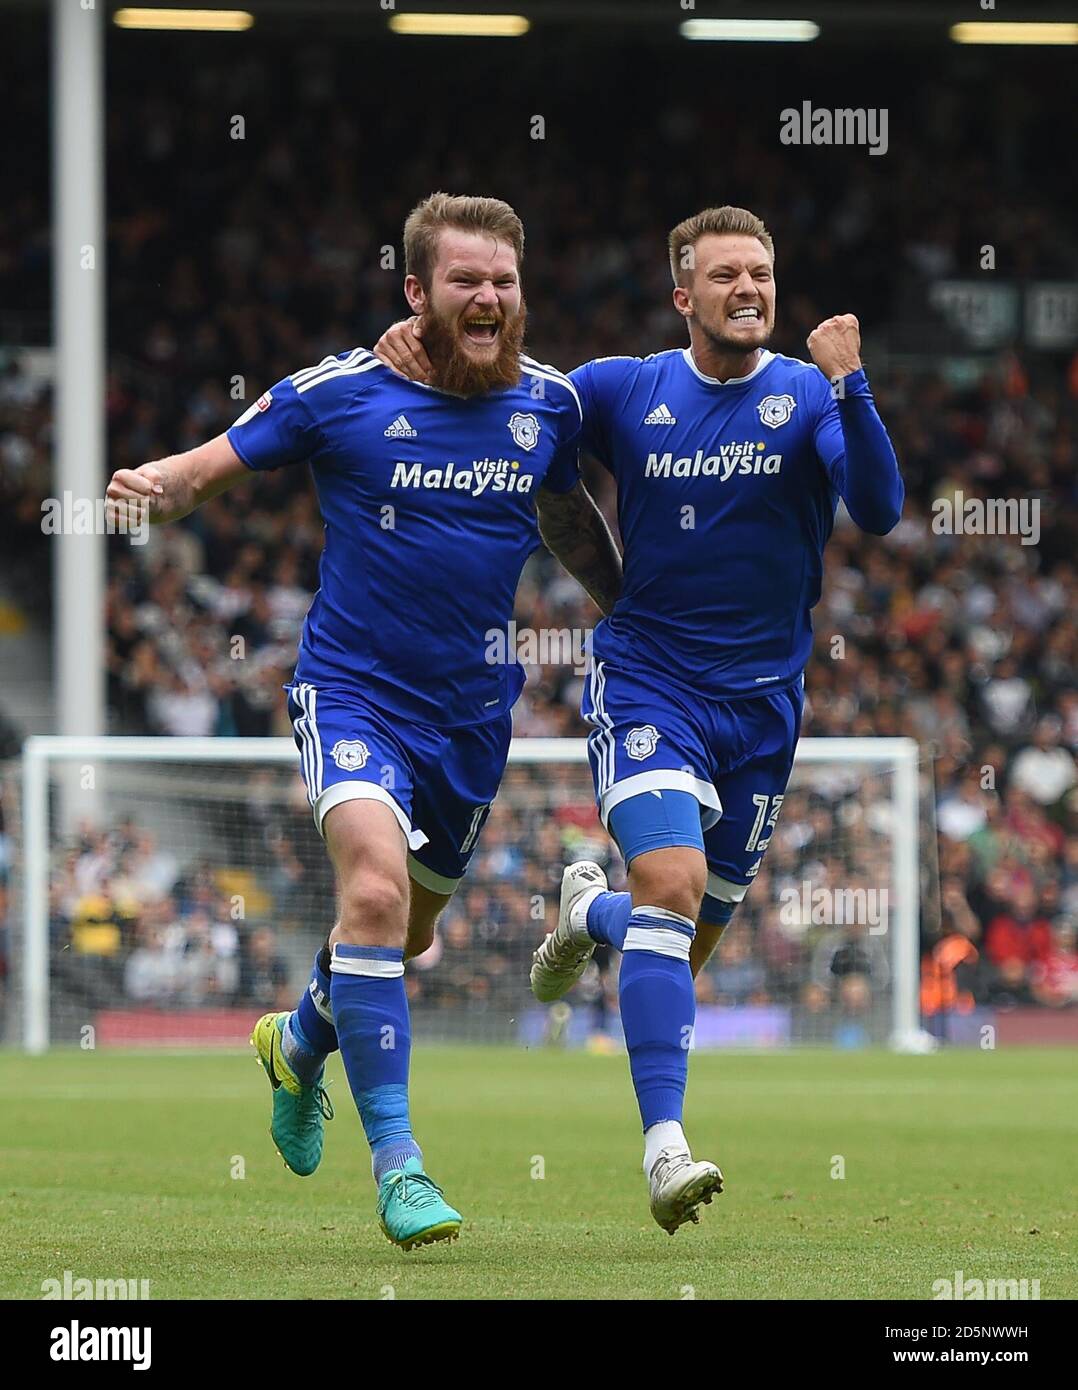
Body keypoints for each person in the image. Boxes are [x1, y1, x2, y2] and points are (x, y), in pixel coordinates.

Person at [105, 192, 621, 1251]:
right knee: (374, 894)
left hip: (473, 718)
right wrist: (160, 484)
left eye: (503, 281)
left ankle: (297, 1043)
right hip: (352, 695)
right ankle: (402, 1169)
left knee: (405, 932)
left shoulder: (549, 406)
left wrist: (639, 615)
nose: (488, 296)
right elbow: (208, 468)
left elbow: (568, 518)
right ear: (416, 291)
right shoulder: (340, 392)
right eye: (465, 279)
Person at [374, 204, 903, 1234]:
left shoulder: (806, 395)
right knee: (671, 881)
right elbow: (509, 408)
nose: (747, 288)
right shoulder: (625, 389)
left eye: (760, 271)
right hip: (649, 681)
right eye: (723, 275)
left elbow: (877, 509)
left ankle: (584, 915)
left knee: (677, 943)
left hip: (764, 710)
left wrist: (852, 379)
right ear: (682, 296)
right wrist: (420, 354)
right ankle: (665, 1150)